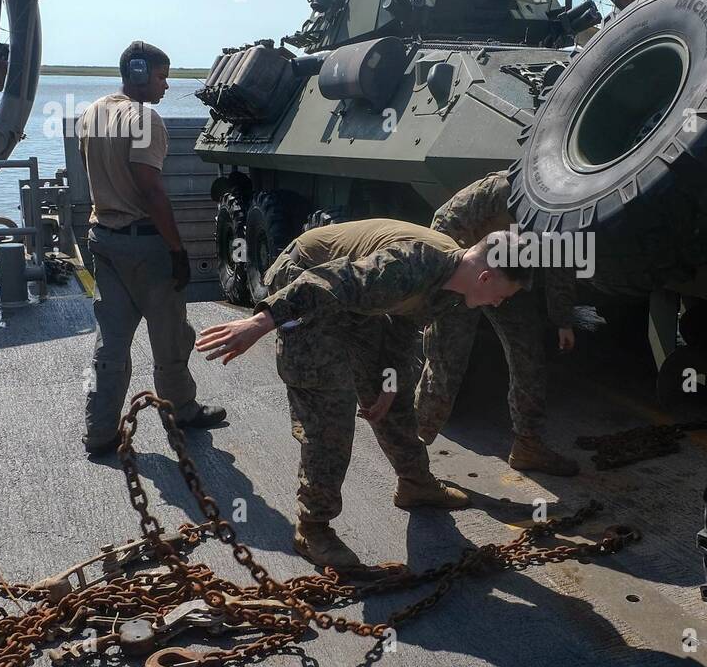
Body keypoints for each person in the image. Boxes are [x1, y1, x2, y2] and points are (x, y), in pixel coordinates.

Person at [195, 219, 530, 570]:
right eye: (503, 296)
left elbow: (404, 326)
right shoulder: (409, 264)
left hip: (352, 297)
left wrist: (387, 382)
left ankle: (415, 483)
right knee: (330, 408)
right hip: (306, 278)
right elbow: (323, 284)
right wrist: (260, 323)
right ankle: (313, 528)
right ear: (486, 278)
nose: (498, 304)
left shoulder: (451, 288)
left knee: (391, 394)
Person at [81, 41, 225, 456]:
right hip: (145, 245)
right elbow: (150, 189)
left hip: (103, 240)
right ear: (141, 74)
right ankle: (182, 410)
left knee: (110, 343)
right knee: (170, 336)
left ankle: (100, 431)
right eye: (162, 77)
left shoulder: (93, 112)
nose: (165, 86)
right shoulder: (144, 118)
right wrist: (177, 250)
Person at [414, 170, 579, 476]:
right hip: (466, 273)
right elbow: (443, 221)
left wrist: (563, 319)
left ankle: (527, 444)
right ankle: (414, 455)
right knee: (445, 363)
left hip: (509, 284)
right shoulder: (502, 189)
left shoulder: (564, 205)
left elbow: (562, 263)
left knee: (528, 355)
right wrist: (456, 271)